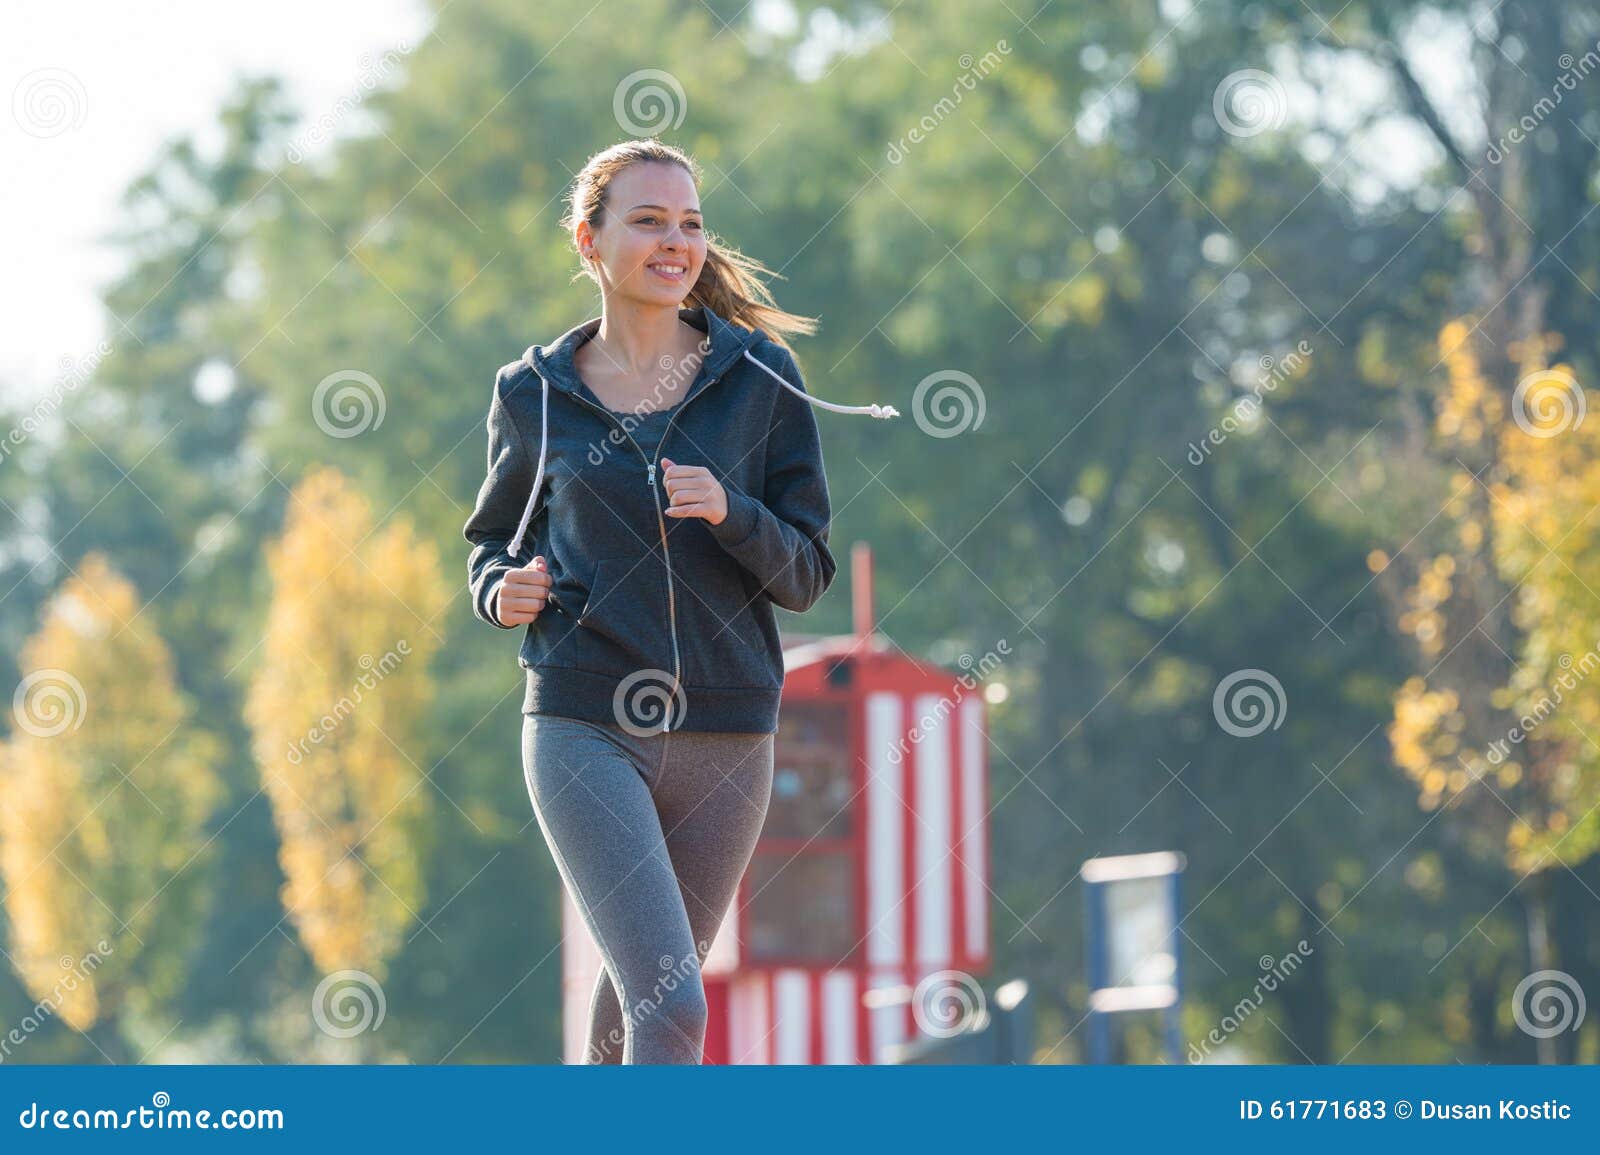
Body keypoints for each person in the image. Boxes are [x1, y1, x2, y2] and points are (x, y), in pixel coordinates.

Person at [463, 138, 898, 1064]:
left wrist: (732, 512)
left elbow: (806, 572)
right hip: (584, 722)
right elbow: (493, 543)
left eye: (691, 223)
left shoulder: (761, 378)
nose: (677, 241)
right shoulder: (534, 394)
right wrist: (503, 590)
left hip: (729, 734)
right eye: (650, 220)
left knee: (644, 999)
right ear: (589, 240)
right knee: (677, 1010)